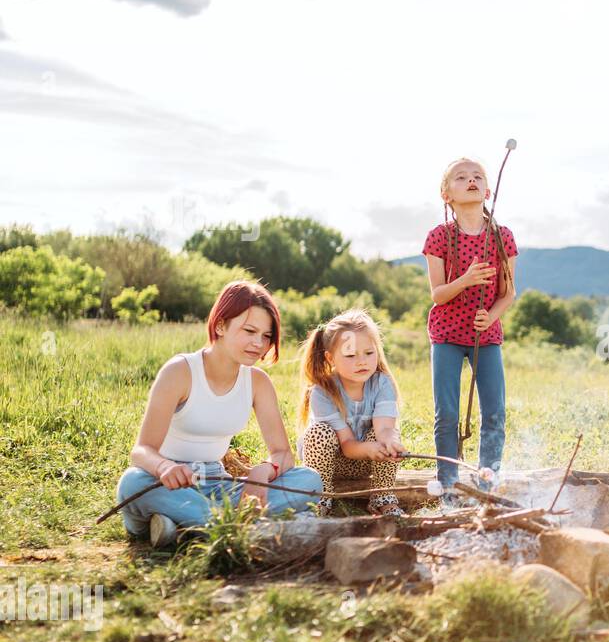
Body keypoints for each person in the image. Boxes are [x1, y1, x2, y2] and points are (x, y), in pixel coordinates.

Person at [115, 281, 323, 547]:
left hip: (217, 483)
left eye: (266, 336)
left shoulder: (258, 383)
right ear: (220, 325)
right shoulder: (180, 372)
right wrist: (165, 467)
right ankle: (222, 524)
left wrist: (263, 471)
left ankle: (188, 526)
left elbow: (282, 454)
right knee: (132, 484)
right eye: (249, 331)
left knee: (308, 481)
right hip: (166, 484)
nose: (258, 343)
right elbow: (142, 450)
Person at [422, 156, 518, 493]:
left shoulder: (502, 237)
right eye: (461, 178)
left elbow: (509, 294)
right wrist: (466, 279)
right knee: (446, 413)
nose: (471, 180)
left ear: (488, 191)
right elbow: (438, 294)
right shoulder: (439, 237)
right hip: (447, 335)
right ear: (446, 194)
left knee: (494, 411)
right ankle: (447, 484)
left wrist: (490, 316)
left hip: (486, 336)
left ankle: (487, 481)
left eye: (478, 176)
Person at [297, 309, 405, 518]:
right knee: (318, 432)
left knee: (387, 434)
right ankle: (320, 498)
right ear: (330, 358)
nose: (362, 361)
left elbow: (384, 428)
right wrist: (368, 448)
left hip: (367, 461)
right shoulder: (322, 391)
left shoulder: (381, 383)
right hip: (331, 461)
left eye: (369, 353)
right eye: (350, 355)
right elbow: (346, 444)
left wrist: (391, 442)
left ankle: (383, 497)